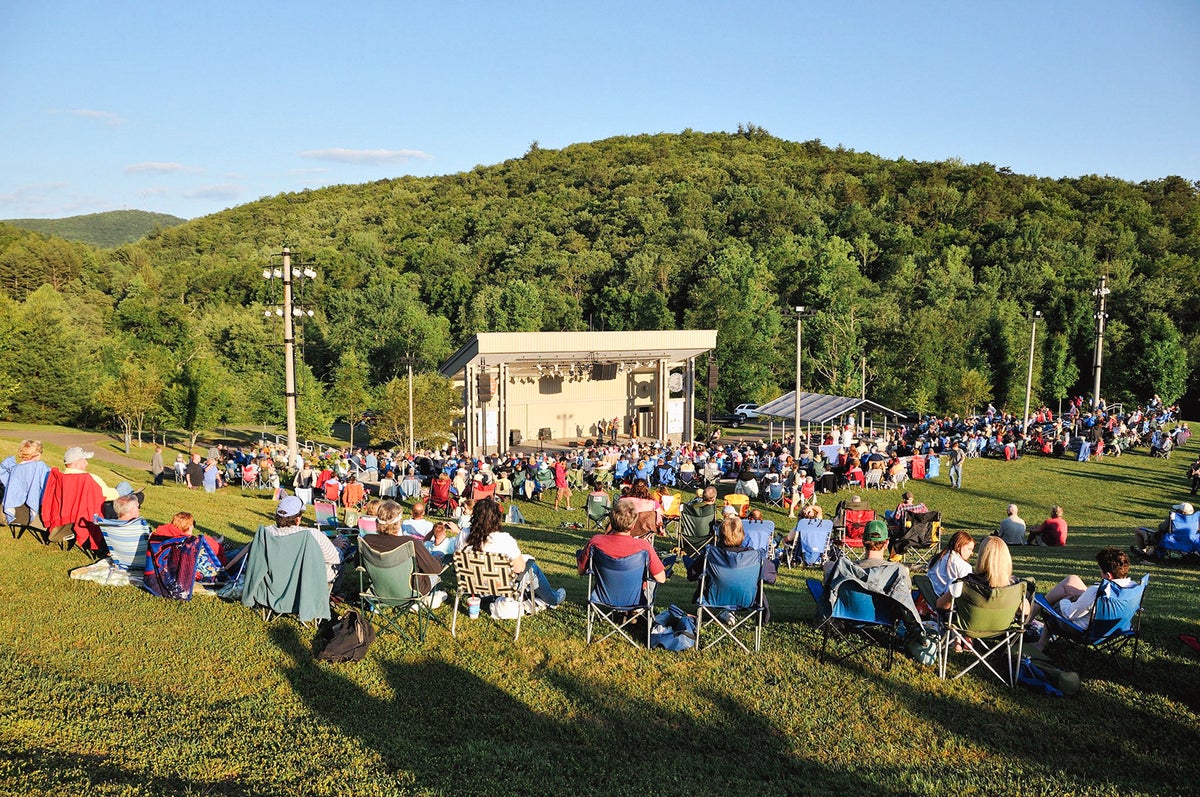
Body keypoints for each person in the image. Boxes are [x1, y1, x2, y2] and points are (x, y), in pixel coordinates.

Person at [459, 498, 566, 607]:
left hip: (472, 584)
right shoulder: (504, 539)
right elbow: (519, 568)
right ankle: (553, 598)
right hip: (501, 586)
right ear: (496, 518)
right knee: (532, 568)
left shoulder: (463, 534)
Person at [1034, 546, 1136, 651]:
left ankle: (1040, 642)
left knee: (1050, 606)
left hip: (1084, 631)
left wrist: (1066, 600)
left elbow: (1070, 614)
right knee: (1072, 580)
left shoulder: (1097, 592)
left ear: (1108, 575)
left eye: (1101, 571)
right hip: (1114, 630)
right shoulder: (1133, 588)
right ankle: (1030, 617)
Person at [687, 513, 776, 620]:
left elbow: (692, 575)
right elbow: (771, 578)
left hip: (714, 598)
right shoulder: (756, 557)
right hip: (748, 600)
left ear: (720, 535)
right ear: (743, 535)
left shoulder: (710, 554)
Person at [577, 497, 667, 598]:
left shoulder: (595, 542)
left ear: (611, 521)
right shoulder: (644, 547)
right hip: (634, 599)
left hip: (603, 597)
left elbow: (581, 570)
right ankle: (636, 610)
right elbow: (661, 578)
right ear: (633, 526)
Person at [936, 536, 1029, 622]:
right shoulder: (1015, 585)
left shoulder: (966, 583)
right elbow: (1025, 611)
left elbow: (941, 605)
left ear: (982, 557)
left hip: (971, 627)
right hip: (1002, 626)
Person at [363, 500, 445, 595]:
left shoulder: (366, 540)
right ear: (398, 523)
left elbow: (359, 564)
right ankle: (433, 596)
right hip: (410, 592)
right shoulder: (409, 543)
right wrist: (438, 558)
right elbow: (435, 569)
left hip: (379, 588)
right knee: (437, 561)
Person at [266, 495, 342, 584]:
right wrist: (336, 546)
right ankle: (336, 593)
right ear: (298, 519)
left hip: (275, 579)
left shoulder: (266, 532)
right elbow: (336, 558)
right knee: (340, 556)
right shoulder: (313, 534)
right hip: (307, 582)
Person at [3, 439, 50, 529]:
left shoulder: (15, 468)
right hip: (32, 504)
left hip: (14, 505)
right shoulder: (39, 467)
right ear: (37, 454)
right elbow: (49, 482)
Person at [926, 531, 975, 599]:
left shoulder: (935, 559)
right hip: (949, 603)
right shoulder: (963, 566)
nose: (971, 553)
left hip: (929, 599)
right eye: (969, 549)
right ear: (958, 546)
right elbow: (968, 591)